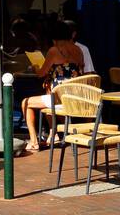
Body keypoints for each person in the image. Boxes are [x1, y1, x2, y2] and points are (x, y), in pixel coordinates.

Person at [21, 21, 84, 152]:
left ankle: (33, 142)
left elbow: (41, 73)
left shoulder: (54, 50)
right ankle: (53, 134)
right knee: (47, 95)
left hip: (59, 99)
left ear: (54, 37)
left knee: (26, 103)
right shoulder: (78, 50)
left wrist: (35, 67)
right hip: (75, 96)